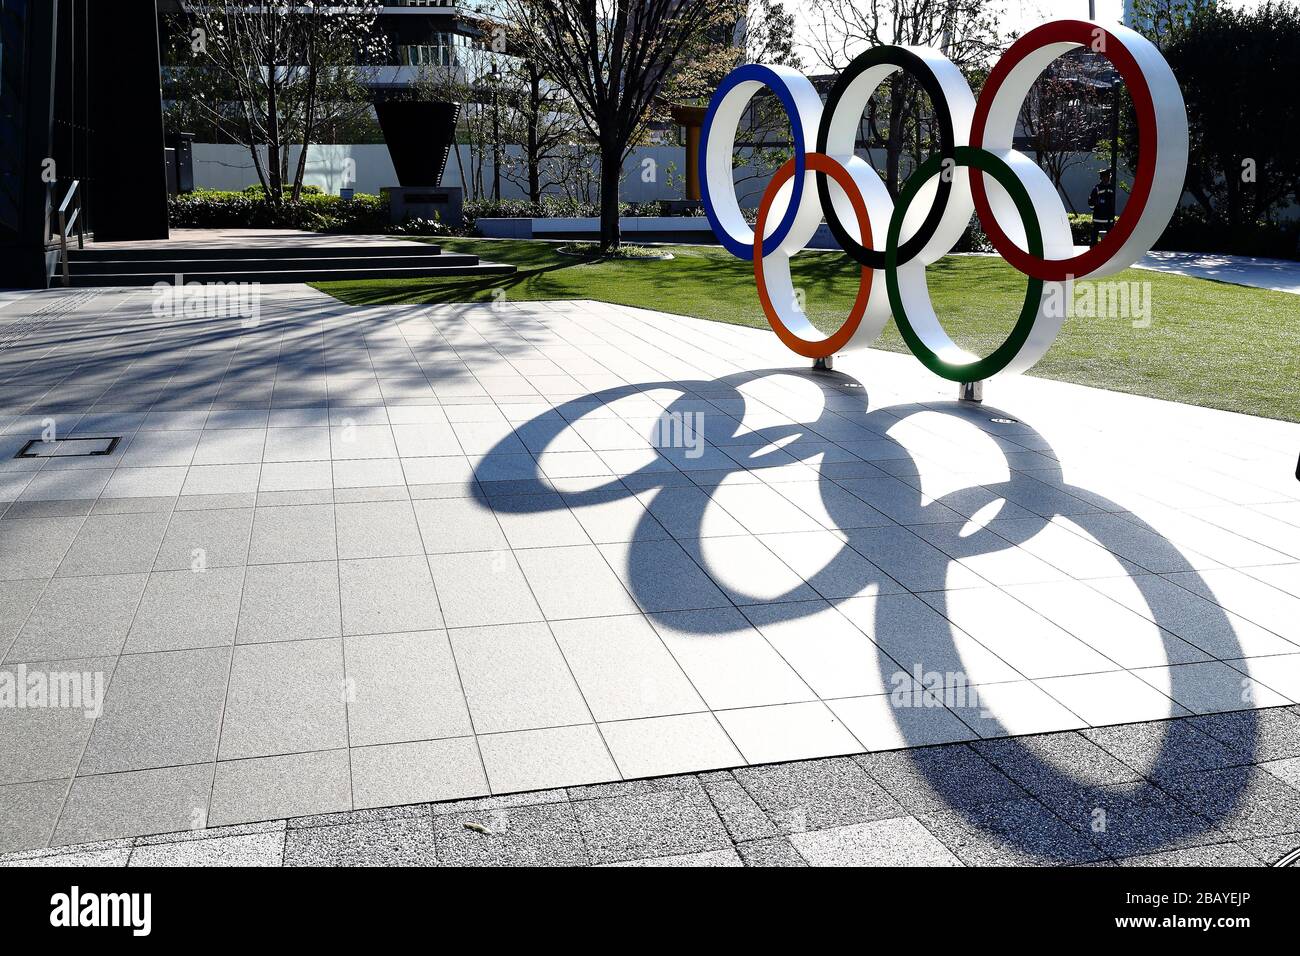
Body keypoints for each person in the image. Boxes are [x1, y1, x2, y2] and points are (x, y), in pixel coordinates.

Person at [1088, 169, 1116, 244]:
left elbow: (1111, 203)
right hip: (1102, 218)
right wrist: (1095, 209)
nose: (1107, 179)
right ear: (1102, 178)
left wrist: (1094, 209)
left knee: (1098, 236)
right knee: (1095, 236)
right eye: (1106, 177)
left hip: (1106, 219)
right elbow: (1090, 201)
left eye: (1108, 177)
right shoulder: (1099, 189)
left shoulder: (1109, 188)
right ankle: (1094, 249)